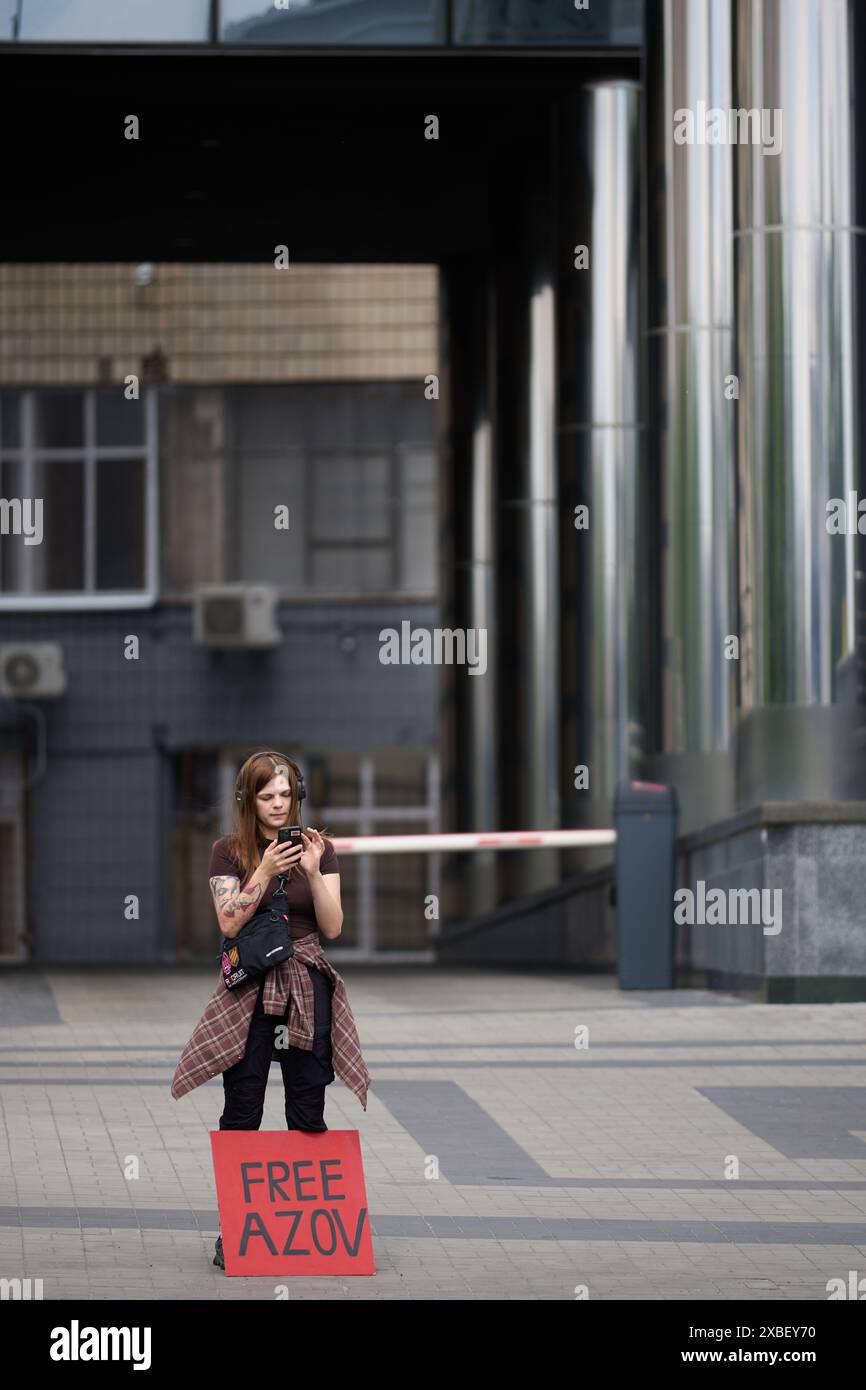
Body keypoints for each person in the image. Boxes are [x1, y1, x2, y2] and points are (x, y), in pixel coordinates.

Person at [169, 750, 371, 1272]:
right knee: (243, 1106)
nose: (279, 806)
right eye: (267, 797)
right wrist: (261, 869)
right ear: (248, 799)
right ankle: (237, 1230)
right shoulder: (227, 852)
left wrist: (311, 869)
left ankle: (301, 1230)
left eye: (287, 795)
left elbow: (333, 927)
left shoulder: (319, 850)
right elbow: (230, 922)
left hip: (307, 981)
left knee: (308, 1106)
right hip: (252, 989)